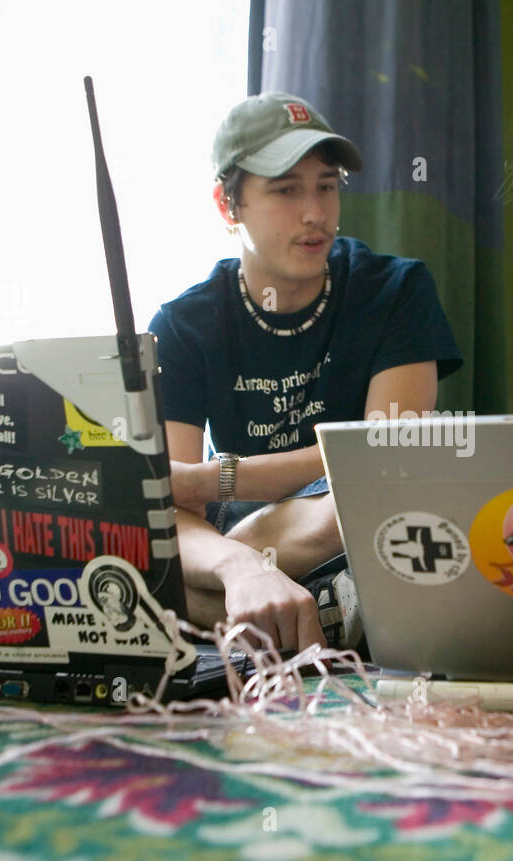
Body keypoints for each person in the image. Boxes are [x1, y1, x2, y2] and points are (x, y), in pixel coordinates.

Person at [151, 92, 463, 652]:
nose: (316, 212)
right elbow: (167, 509)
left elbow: (384, 453)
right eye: (286, 189)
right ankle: (302, 605)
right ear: (229, 206)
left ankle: (245, 612)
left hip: (353, 515)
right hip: (245, 526)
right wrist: (242, 566)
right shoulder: (182, 325)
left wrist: (211, 481)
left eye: (326, 184)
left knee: (390, 490)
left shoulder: (394, 289)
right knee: (146, 545)